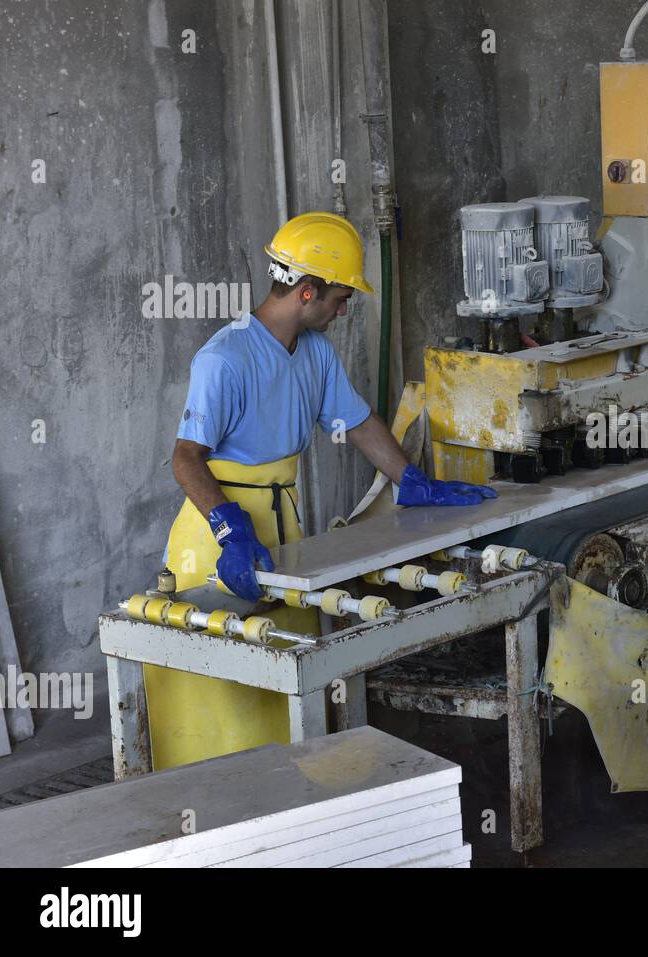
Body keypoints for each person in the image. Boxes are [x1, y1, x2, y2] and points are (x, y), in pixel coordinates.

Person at [145, 211, 495, 769]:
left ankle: (292, 812)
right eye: (340, 297)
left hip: (282, 534)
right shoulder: (224, 358)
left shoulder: (313, 354)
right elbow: (186, 459)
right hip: (220, 538)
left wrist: (412, 481)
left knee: (289, 673)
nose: (345, 307)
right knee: (224, 693)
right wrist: (229, 529)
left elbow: (356, 423)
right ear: (306, 291)